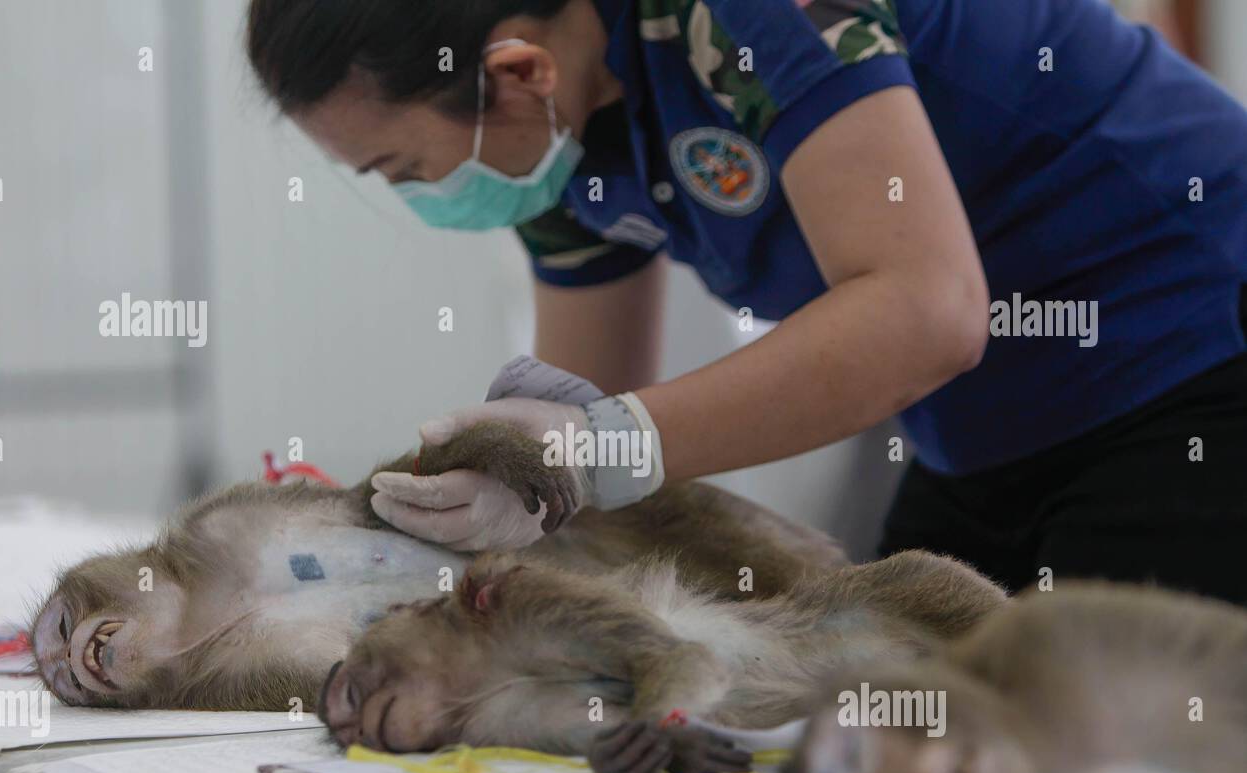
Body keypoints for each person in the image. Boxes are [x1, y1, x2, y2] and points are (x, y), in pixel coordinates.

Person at [246, 0, 1247, 603]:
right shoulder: (554, 150)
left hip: (1191, 345)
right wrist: (434, 556)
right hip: (986, 424)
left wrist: (594, 451)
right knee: (882, 720)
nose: (419, 198)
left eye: (399, 167)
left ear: (515, 73)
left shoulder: (747, 13)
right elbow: (573, 420)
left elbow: (925, 309)